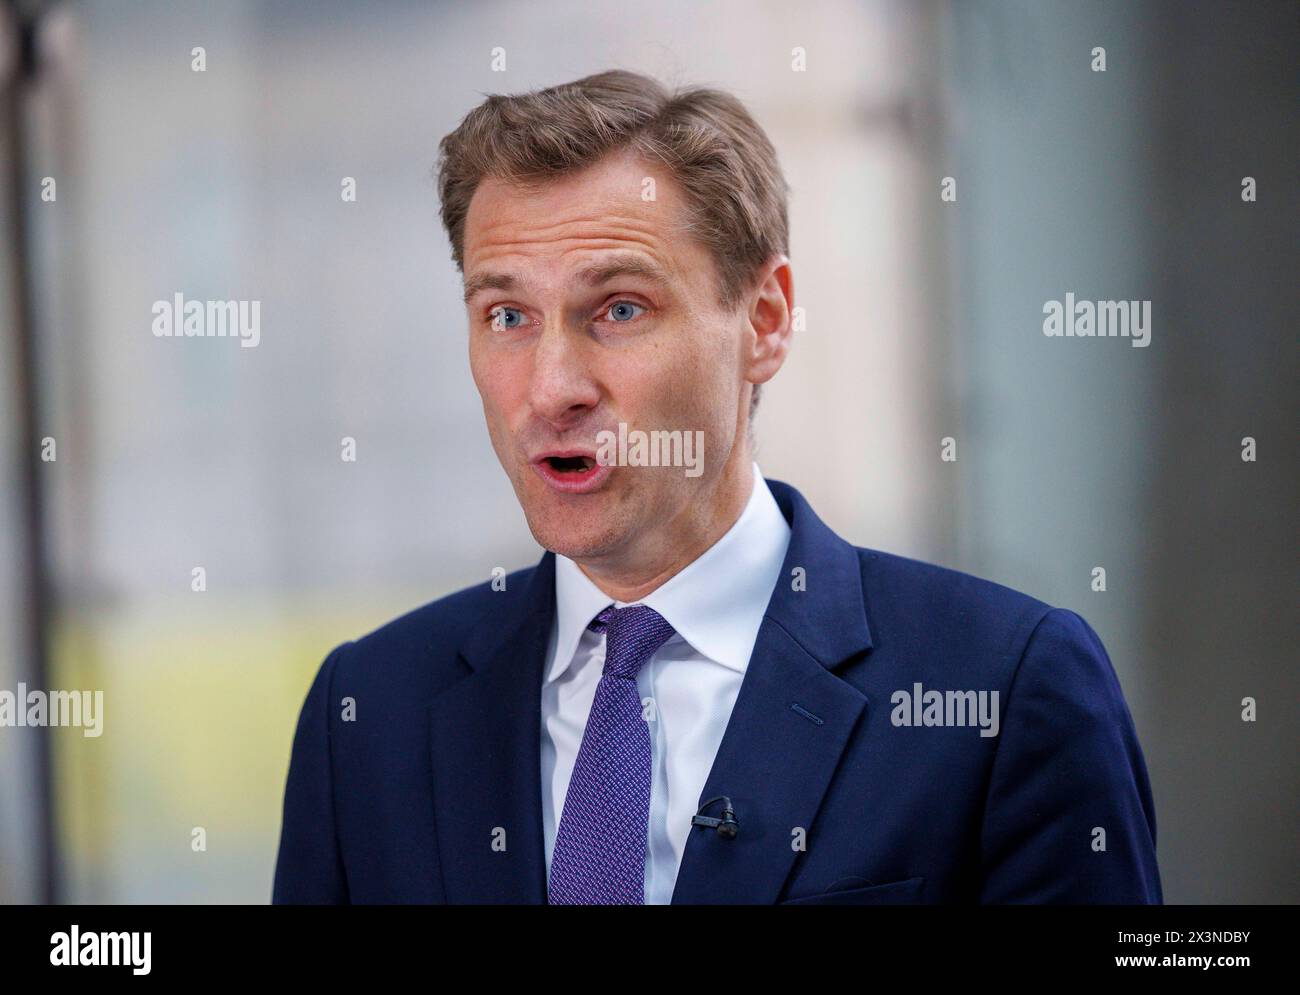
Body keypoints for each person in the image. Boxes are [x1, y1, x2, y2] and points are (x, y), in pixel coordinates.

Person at [272, 70, 1162, 905]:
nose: (551, 388)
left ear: (765, 320)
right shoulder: (367, 714)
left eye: (619, 308)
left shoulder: (1005, 690)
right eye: (507, 316)